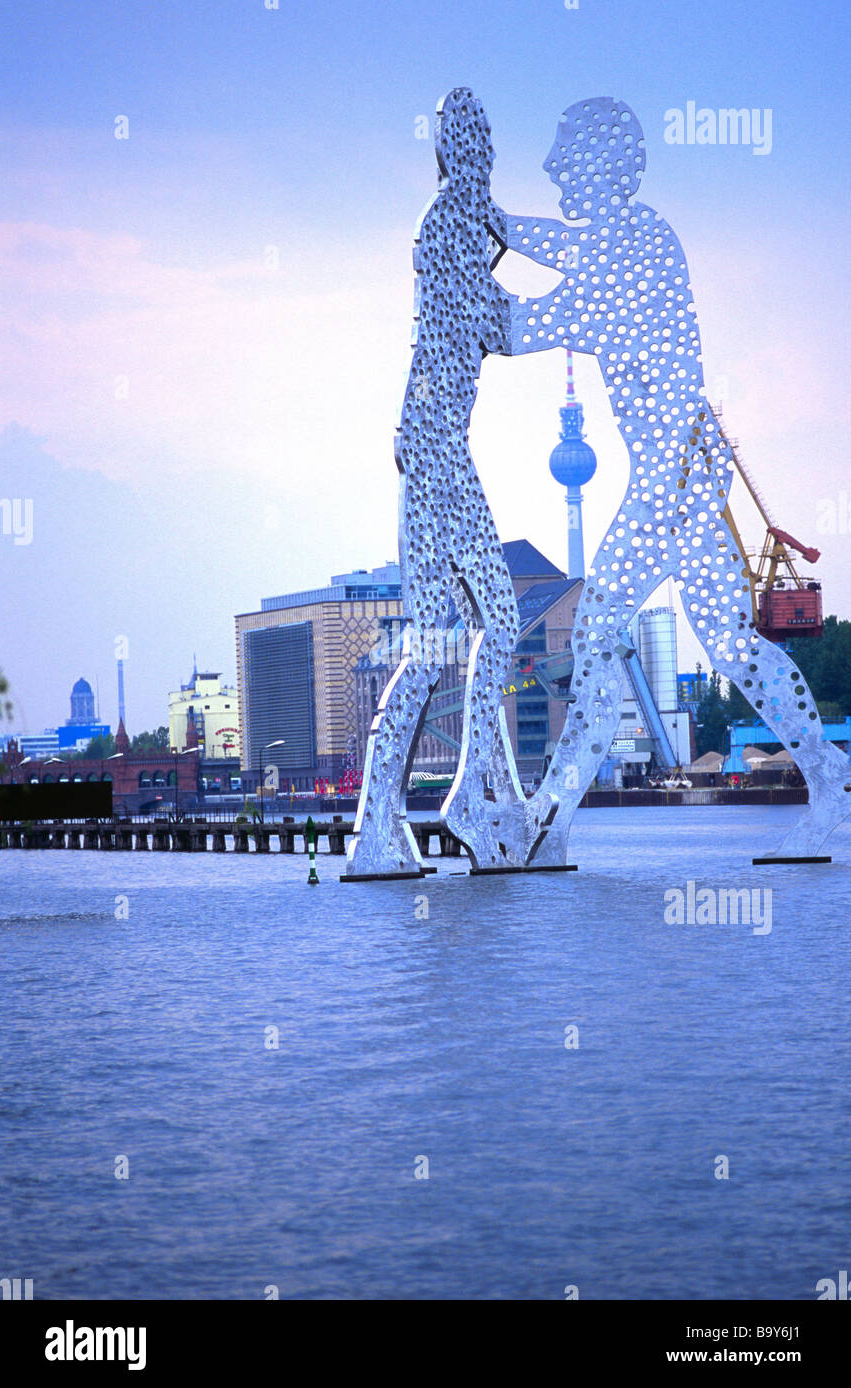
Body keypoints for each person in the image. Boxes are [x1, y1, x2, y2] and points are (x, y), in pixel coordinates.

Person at [503, 97, 850, 862]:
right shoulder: (627, 246)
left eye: (565, 151)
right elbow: (555, 263)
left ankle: (548, 825)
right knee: (721, 645)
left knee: (603, 639)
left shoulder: (638, 246)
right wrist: (492, 228)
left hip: (672, 487)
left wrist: (480, 237)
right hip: (681, 482)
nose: (553, 166)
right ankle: (827, 780)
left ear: (601, 162)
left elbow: (528, 322)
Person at [345, 88, 557, 878]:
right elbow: (497, 321)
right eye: (473, 143)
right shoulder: (448, 229)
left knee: (458, 632)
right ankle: (447, 801)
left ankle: (413, 814)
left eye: (488, 142)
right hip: (436, 449)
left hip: (436, 446)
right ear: (450, 151)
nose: (485, 155)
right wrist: (585, 306)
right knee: (477, 625)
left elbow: (501, 262)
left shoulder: (463, 222)